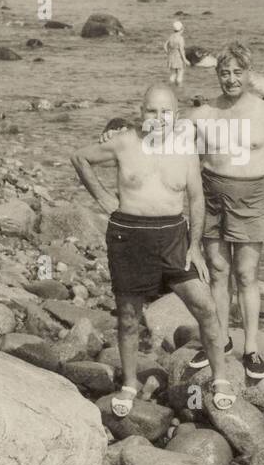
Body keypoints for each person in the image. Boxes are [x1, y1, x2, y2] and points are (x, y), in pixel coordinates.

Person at [70, 85, 235, 417]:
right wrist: (104, 198)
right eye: (151, 112)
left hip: (173, 238)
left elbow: (197, 200)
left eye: (165, 113)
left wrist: (196, 248)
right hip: (129, 238)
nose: (158, 119)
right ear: (140, 112)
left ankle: (220, 378)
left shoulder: (186, 151)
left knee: (205, 307)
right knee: (129, 318)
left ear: (175, 116)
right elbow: (80, 158)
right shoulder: (124, 142)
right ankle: (129, 383)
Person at [188, 42, 264, 380]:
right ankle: (220, 340)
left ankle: (251, 348)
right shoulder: (204, 113)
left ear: (249, 73)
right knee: (217, 271)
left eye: (237, 72)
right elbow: (167, 142)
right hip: (211, 196)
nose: (231, 79)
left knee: (246, 274)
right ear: (217, 75)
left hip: (251, 197)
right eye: (224, 73)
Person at [165, 21, 189, 88]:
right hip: (178, 58)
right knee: (180, 74)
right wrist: (185, 60)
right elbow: (181, 51)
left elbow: (164, 46)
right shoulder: (180, 38)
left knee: (172, 74)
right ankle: (179, 89)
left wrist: (168, 53)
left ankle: (171, 88)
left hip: (171, 57)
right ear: (181, 29)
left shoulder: (171, 37)